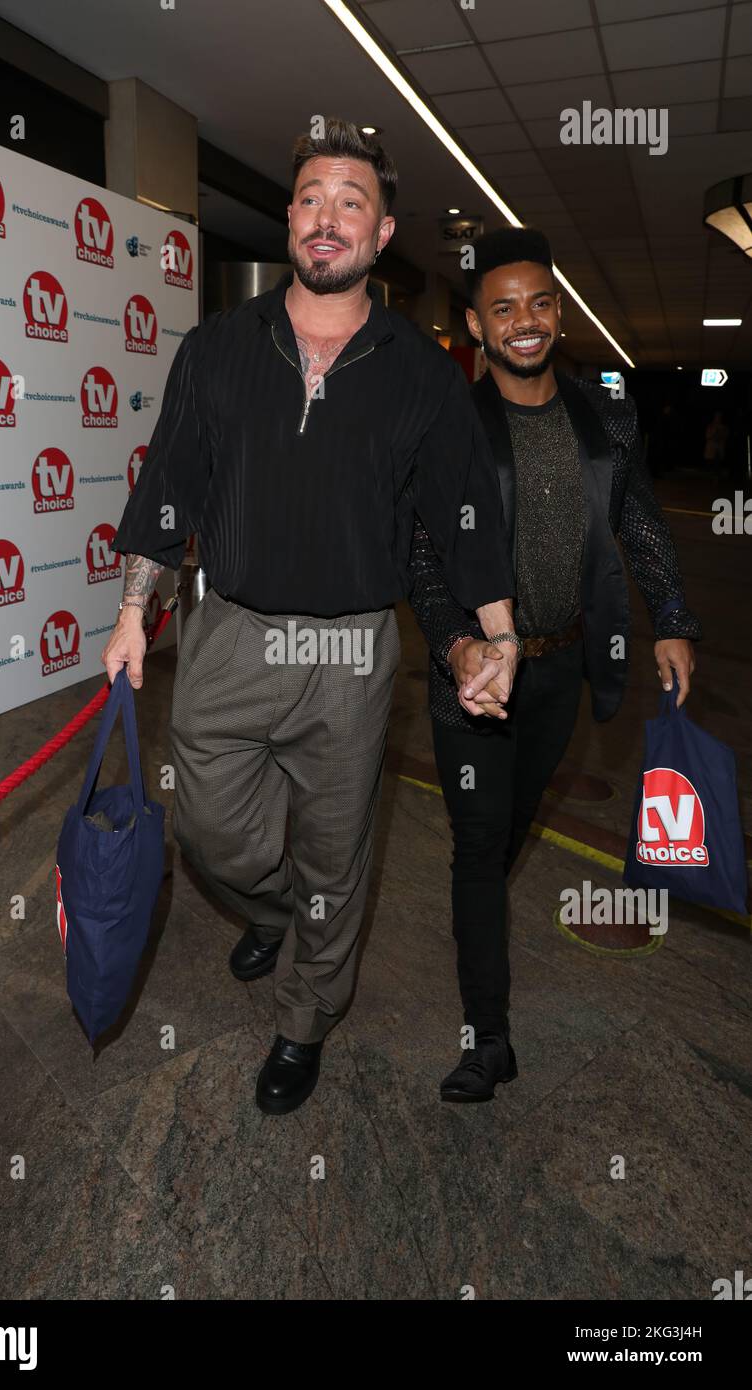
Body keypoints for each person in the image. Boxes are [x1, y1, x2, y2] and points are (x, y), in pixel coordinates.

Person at [102, 120, 516, 1115]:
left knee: (336, 847)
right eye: (308, 199)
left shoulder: (422, 373)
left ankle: (303, 1020)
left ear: (379, 237)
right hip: (231, 634)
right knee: (207, 830)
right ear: (290, 221)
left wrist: (495, 635)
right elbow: (171, 487)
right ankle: (277, 909)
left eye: (349, 202)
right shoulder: (213, 350)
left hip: (349, 652)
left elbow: (462, 517)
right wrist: (130, 612)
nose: (324, 217)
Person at [408, 226, 702, 1104]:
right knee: (476, 842)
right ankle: (486, 1037)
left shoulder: (604, 417)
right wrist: (460, 647)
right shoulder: (450, 422)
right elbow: (423, 558)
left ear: (559, 313)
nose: (524, 322)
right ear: (475, 324)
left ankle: (477, 926)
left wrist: (674, 619)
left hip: (562, 670)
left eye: (539, 304)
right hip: (474, 675)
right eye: (504, 309)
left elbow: (642, 523)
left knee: (506, 832)